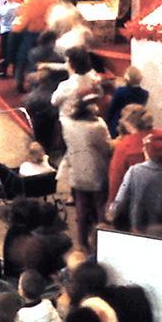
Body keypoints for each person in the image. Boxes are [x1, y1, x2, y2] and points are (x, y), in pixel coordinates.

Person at [59, 95, 112, 249]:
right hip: (96, 172)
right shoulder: (98, 126)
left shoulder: (67, 123)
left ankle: (81, 243)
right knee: (100, 206)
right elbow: (106, 147)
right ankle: (103, 243)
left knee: (81, 209)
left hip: (77, 171)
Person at [108, 131, 162, 233]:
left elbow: (121, 199)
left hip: (137, 227)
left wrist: (112, 212)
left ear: (147, 152)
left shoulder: (134, 172)